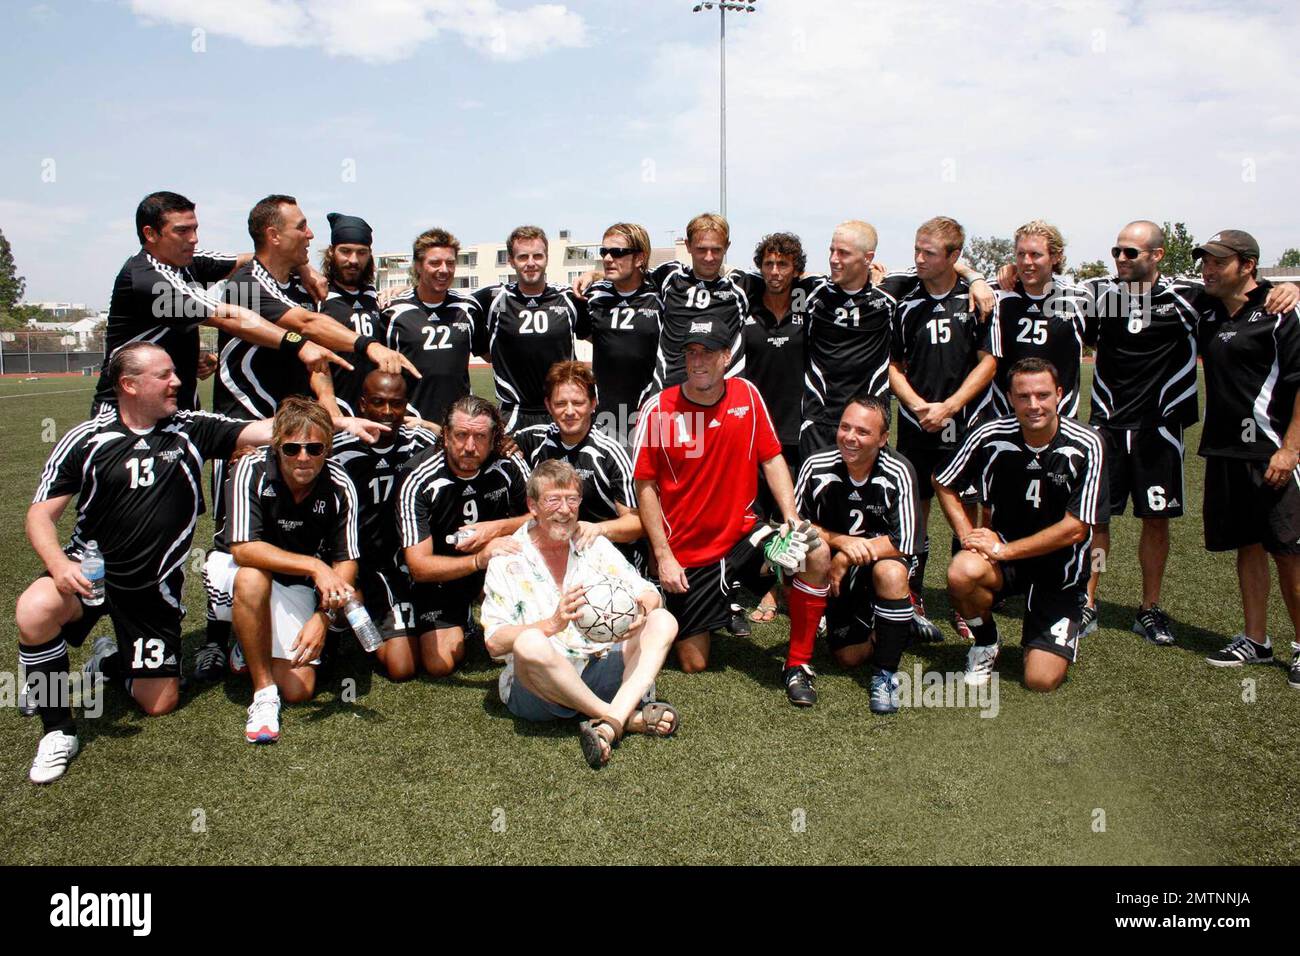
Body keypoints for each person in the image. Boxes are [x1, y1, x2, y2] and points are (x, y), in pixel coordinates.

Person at [15, 343, 373, 782]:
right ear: (129, 385)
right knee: (35, 610)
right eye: (164, 375)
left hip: (153, 590)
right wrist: (58, 565)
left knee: (160, 703)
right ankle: (57, 730)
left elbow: (272, 431)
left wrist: (339, 421)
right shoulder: (85, 439)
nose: (179, 382)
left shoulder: (191, 428)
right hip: (89, 574)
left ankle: (109, 659)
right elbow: (39, 515)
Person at [1068, 222, 1300, 643]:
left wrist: (1290, 289)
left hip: (1161, 429)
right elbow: (1044, 291)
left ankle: (1150, 608)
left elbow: (1246, 291)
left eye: (1131, 252)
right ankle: (1087, 603)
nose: (1121, 258)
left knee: (1155, 518)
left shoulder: (1191, 297)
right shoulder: (1099, 294)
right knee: (1097, 521)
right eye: (1117, 250)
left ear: (1157, 255)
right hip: (1106, 426)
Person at [633, 320, 832, 706]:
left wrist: (790, 518)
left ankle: (798, 664)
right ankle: (724, 597)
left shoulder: (747, 395)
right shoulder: (660, 408)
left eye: (707, 352)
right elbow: (645, 486)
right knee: (694, 662)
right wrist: (663, 555)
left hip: (743, 535)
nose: (698, 361)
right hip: (688, 550)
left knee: (815, 552)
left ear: (727, 357)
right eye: (691, 352)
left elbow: (772, 456)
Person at [481, 460, 679, 768]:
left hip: (599, 667)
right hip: (542, 690)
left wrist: (641, 609)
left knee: (663, 620)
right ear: (532, 506)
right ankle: (620, 718)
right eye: (553, 500)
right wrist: (552, 624)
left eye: (572, 499)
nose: (564, 509)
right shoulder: (508, 557)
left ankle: (608, 725)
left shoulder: (592, 542)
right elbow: (494, 642)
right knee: (528, 642)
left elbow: (649, 593)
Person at [936, 358, 1107, 692]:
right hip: (1005, 561)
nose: (1033, 405)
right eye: (1023, 396)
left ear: (1059, 394)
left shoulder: (1088, 444)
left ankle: (1056, 628)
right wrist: (966, 535)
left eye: (1042, 395)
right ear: (1010, 398)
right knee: (961, 572)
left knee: (1041, 681)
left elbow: (1077, 528)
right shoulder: (989, 435)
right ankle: (985, 641)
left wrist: (1005, 550)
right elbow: (943, 481)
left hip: (1060, 570)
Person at [95, 190, 344, 413]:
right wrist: (298, 344)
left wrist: (302, 266)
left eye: (195, 229)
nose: (194, 239)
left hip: (175, 406)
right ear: (150, 234)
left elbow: (258, 258)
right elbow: (231, 318)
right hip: (126, 412)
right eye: (182, 231)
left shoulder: (189, 261)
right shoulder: (147, 280)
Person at [204, 397, 363, 743]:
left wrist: (323, 619)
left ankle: (250, 644)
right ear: (276, 445)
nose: (303, 458)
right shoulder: (251, 468)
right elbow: (244, 550)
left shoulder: (340, 484)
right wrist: (313, 565)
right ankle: (262, 693)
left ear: (328, 448)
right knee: (252, 577)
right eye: (292, 448)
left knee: (299, 689)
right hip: (234, 571)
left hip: (294, 581)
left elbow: (347, 561)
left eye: (314, 448)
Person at [1193, 230, 1300, 689]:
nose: (1208, 270)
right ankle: (1256, 639)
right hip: (1225, 451)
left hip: (1272, 450)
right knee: (1248, 545)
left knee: (1289, 551)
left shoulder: (1281, 311)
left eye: (1219, 262)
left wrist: (1291, 449)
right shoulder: (1208, 308)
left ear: (1248, 265)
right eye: (1205, 262)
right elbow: (1144, 282)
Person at [886, 216, 999, 640]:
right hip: (917, 422)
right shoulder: (904, 300)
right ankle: (913, 594)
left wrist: (950, 406)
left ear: (953, 256)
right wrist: (917, 406)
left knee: (963, 512)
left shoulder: (979, 301)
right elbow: (894, 366)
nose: (918, 259)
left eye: (928, 253)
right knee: (915, 508)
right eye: (916, 249)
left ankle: (962, 600)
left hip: (965, 423)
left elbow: (989, 362)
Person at [796, 395, 922, 713]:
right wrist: (840, 542)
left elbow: (905, 541)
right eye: (845, 427)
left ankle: (886, 673)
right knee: (848, 657)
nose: (850, 438)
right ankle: (894, 627)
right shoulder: (816, 464)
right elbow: (795, 524)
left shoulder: (899, 470)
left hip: (880, 562)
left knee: (891, 573)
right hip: (837, 569)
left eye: (863, 432)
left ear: (882, 439)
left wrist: (847, 555)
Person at [396, 395, 531, 676]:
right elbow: (419, 567)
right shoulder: (417, 478)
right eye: (461, 435)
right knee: (439, 663)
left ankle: (505, 604)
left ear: (494, 437)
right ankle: (464, 617)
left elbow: (542, 516)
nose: (470, 447)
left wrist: (495, 528)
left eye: (481, 436)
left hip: (496, 566)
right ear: (445, 435)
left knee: (532, 637)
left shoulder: (508, 464)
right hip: (441, 578)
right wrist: (477, 560)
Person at [330, 371, 439, 681]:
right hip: (361, 559)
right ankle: (348, 612)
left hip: (409, 554)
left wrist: (506, 444)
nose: (388, 412)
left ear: (407, 406)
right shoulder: (337, 450)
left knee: (423, 658)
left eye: (396, 404)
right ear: (362, 405)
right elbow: (297, 453)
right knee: (401, 667)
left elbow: (464, 443)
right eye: (378, 403)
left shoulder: (420, 441)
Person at [512, 362, 645, 570]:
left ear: (593, 404)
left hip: (607, 560)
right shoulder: (533, 440)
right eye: (560, 403)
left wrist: (597, 529)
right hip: (555, 559)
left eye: (578, 402)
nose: (570, 411)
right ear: (548, 405)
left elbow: (636, 523)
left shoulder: (611, 450)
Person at [741, 232, 808, 625]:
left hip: (799, 428)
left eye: (783, 264)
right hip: (756, 428)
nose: (775, 271)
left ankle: (796, 588)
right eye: (768, 264)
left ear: (796, 268)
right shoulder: (747, 305)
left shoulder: (810, 303)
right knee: (759, 512)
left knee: (794, 513)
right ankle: (766, 588)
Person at [472, 226, 589, 432]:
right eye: (523, 257)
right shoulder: (490, 299)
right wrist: (401, 292)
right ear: (511, 261)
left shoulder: (569, 298)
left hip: (561, 412)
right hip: (513, 414)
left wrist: (595, 274)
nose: (531, 263)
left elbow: (604, 336)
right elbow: (446, 302)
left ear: (547, 258)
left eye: (537, 256)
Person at [383, 227, 488, 424]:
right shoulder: (393, 311)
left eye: (450, 263)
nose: (444, 270)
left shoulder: (468, 308)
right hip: (410, 423)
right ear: (418, 266)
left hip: (458, 423)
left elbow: (492, 354)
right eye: (434, 263)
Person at [988, 220, 1089, 419]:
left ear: (1056, 256)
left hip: (1062, 422)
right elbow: (944, 263)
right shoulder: (995, 294)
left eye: (1035, 254)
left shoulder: (1081, 299)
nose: (1026, 261)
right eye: (1021, 254)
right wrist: (973, 278)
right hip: (1005, 420)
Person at [583, 222, 663, 445]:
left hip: (650, 413)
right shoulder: (594, 295)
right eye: (604, 251)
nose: (608, 258)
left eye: (617, 252)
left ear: (639, 258)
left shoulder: (660, 295)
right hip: (603, 415)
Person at [317, 212, 384, 414]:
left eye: (362, 252)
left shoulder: (374, 296)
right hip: (333, 411)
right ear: (331, 252)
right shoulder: (318, 296)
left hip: (375, 410)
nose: (353, 260)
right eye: (345, 251)